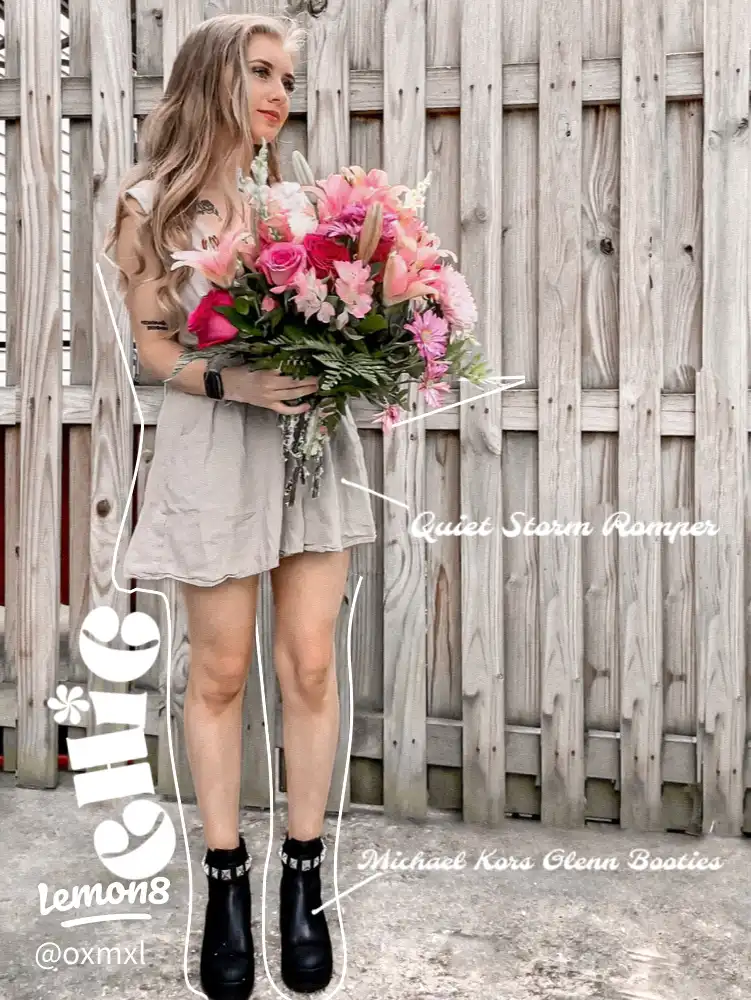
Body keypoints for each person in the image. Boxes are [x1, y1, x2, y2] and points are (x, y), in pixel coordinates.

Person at [103, 13, 377, 998]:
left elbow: (349, 308)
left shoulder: (305, 202)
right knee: (219, 671)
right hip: (219, 438)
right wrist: (234, 386)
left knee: (308, 662)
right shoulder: (150, 204)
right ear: (213, 76)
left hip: (308, 443)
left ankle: (303, 872)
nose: (276, 93)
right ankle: (226, 879)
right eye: (259, 71)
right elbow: (155, 352)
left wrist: (364, 355)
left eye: (287, 79)